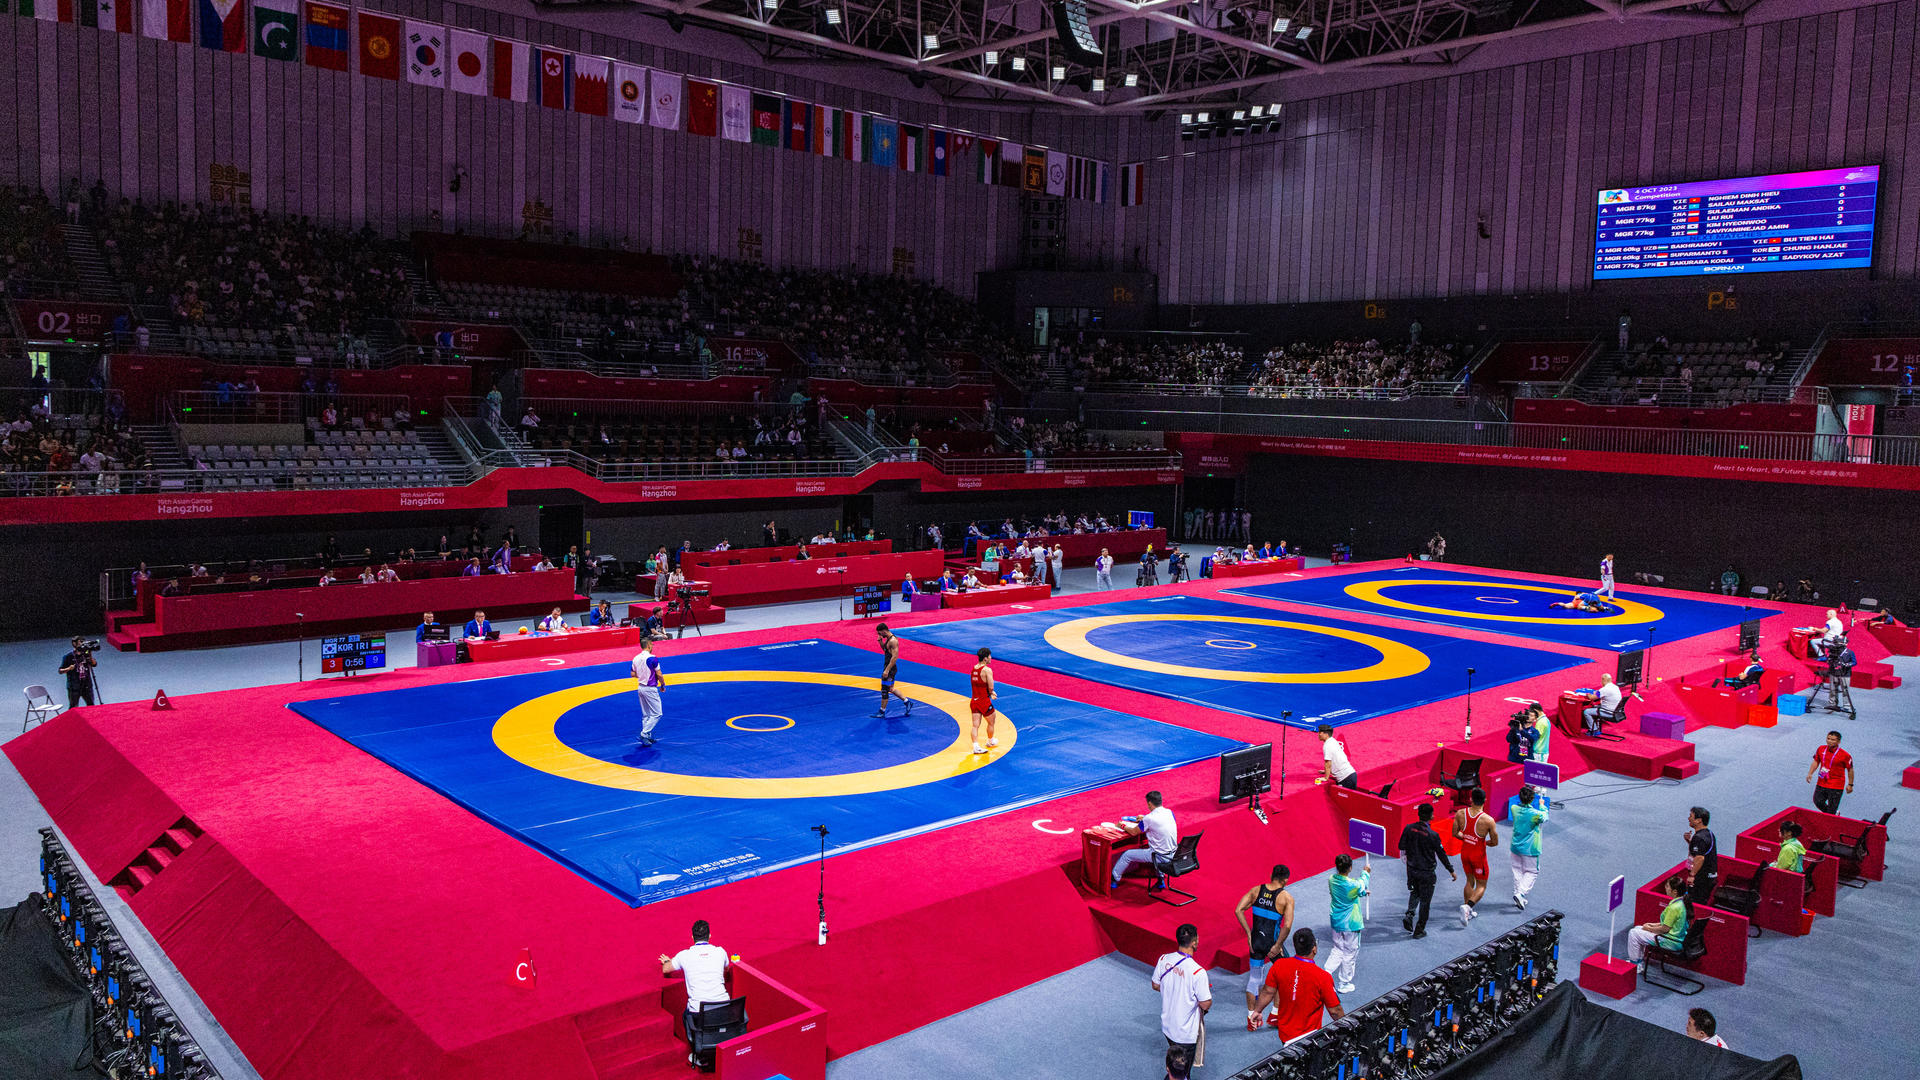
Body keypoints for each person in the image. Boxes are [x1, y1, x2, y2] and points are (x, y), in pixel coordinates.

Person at [659, 920, 731, 1068]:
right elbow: (727, 969)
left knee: (686, 1015)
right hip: (724, 1008)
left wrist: (667, 960)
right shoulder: (720, 952)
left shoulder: (684, 955)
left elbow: (666, 969)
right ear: (710, 936)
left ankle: (699, 1055)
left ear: (692, 937)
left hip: (698, 1011)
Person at [1251, 928, 1345, 1041]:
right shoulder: (1323, 977)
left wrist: (1257, 1011)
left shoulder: (1279, 965)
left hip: (1285, 1036)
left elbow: (1267, 992)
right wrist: (1346, 1029)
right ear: (1314, 949)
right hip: (1310, 1039)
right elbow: (1335, 1011)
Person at [1234, 865, 1294, 1029]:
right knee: (1285, 977)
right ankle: (1274, 1015)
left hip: (1255, 942)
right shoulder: (1286, 898)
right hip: (1272, 944)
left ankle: (1250, 1018)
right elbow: (1287, 926)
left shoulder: (1256, 890)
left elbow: (1238, 909)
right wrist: (1278, 945)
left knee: (1254, 979)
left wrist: (1248, 933)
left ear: (1271, 875)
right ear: (1285, 880)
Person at [1150, 924, 1210, 1064]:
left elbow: (1155, 984)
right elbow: (1206, 1003)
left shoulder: (1164, 959)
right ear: (1194, 942)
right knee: (1182, 1072)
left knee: (1174, 1065)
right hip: (1185, 1034)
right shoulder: (1198, 972)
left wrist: (1173, 990)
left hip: (1167, 1027)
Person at [1398, 803, 1456, 938]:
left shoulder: (1408, 828)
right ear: (1432, 816)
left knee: (1415, 891)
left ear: (1418, 814)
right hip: (1427, 873)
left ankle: (1410, 914)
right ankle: (1419, 930)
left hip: (1411, 869)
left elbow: (1401, 845)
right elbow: (1441, 854)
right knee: (1425, 902)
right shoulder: (1433, 835)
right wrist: (1451, 870)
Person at [1111, 790, 1177, 891]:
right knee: (1159, 848)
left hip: (1159, 856)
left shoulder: (1149, 819)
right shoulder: (1169, 812)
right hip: (1174, 854)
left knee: (1127, 855)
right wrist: (1145, 818)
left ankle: (1114, 879)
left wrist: (1122, 825)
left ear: (1149, 803)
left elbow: (1133, 832)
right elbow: (1161, 823)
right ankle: (1161, 879)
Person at [1323, 854, 1369, 995]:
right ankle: (1344, 983)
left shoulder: (1332, 879)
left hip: (1336, 921)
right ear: (1350, 867)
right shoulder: (1353, 884)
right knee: (1350, 952)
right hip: (1351, 923)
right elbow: (1361, 885)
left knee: (1337, 949)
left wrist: (1362, 892)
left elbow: (1358, 891)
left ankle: (1325, 975)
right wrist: (1365, 872)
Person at [1627, 875, 1691, 972]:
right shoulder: (1681, 903)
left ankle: (1635, 965)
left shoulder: (1675, 908)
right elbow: (1667, 924)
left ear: (1675, 891)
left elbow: (1665, 929)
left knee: (1633, 933)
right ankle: (1639, 962)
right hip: (1676, 938)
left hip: (1670, 941)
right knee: (1638, 928)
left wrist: (1648, 928)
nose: (1665, 888)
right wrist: (1651, 925)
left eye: (1667, 886)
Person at [1453, 788, 1498, 925]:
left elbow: (1455, 833)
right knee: (1481, 885)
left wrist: (1468, 838)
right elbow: (1495, 842)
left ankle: (1467, 912)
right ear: (1485, 800)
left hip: (1465, 852)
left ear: (1471, 799)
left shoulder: (1460, 813)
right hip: (1478, 855)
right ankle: (1468, 907)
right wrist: (1482, 842)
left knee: (1469, 881)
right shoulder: (1488, 820)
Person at [1507, 785, 1549, 910]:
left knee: (1517, 871)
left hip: (1515, 846)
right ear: (1532, 800)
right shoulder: (1535, 814)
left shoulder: (1514, 808)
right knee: (1531, 872)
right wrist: (1542, 804)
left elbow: (1525, 808)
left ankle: (1517, 895)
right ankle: (1521, 893)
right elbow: (1545, 816)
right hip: (1530, 849)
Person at [1807, 730, 1854, 813]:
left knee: (1832, 808)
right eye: (1828, 738)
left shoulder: (1845, 755)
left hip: (1836, 785)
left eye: (1833, 740)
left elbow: (1850, 769)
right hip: (1822, 781)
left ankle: (1831, 815)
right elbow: (1816, 761)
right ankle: (1833, 814)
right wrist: (1810, 773)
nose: (1829, 741)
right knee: (1817, 801)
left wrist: (1850, 784)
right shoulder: (1821, 749)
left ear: (1838, 741)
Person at [873, 624, 912, 718]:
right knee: (890, 689)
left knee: (884, 690)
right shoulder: (888, 639)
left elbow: (895, 657)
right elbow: (886, 651)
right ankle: (907, 702)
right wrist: (880, 642)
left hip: (890, 668)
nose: (879, 635)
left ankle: (882, 711)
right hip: (889, 667)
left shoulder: (893, 641)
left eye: (879, 633)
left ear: (884, 631)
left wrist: (887, 670)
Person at [633, 638, 666, 747]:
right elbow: (659, 674)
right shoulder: (652, 658)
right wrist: (662, 684)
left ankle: (647, 736)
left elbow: (633, 673)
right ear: (648, 645)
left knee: (646, 714)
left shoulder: (636, 658)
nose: (652, 646)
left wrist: (642, 674)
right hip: (650, 688)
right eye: (651, 644)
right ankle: (644, 733)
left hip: (640, 688)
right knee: (657, 713)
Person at [1683, 807, 1719, 906]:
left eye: (1691, 816)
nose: (1688, 818)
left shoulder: (1699, 838)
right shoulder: (1709, 833)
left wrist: (1692, 875)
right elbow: (1702, 851)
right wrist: (1690, 842)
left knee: (1694, 904)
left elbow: (1700, 858)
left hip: (1701, 880)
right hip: (1709, 877)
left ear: (1699, 820)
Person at [969, 647, 997, 754]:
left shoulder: (974, 669)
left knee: (975, 725)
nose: (991, 658)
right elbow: (990, 686)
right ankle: (990, 741)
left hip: (974, 700)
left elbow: (976, 684)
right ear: (985, 658)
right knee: (992, 720)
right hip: (983, 701)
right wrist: (991, 693)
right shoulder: (987, 670)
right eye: (989, 656)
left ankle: (975, 746)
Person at [58, 638, 98, 709]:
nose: (82, 644)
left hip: (87, 685)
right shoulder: (68, 656)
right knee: (73, 707)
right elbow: (60, 671)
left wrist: (90, 654)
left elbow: (94, 664)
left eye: (83, 642)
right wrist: (68, 669)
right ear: (74, 643)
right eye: (80, 642)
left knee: (91, 705)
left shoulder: (85, 654)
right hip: (74, 686)